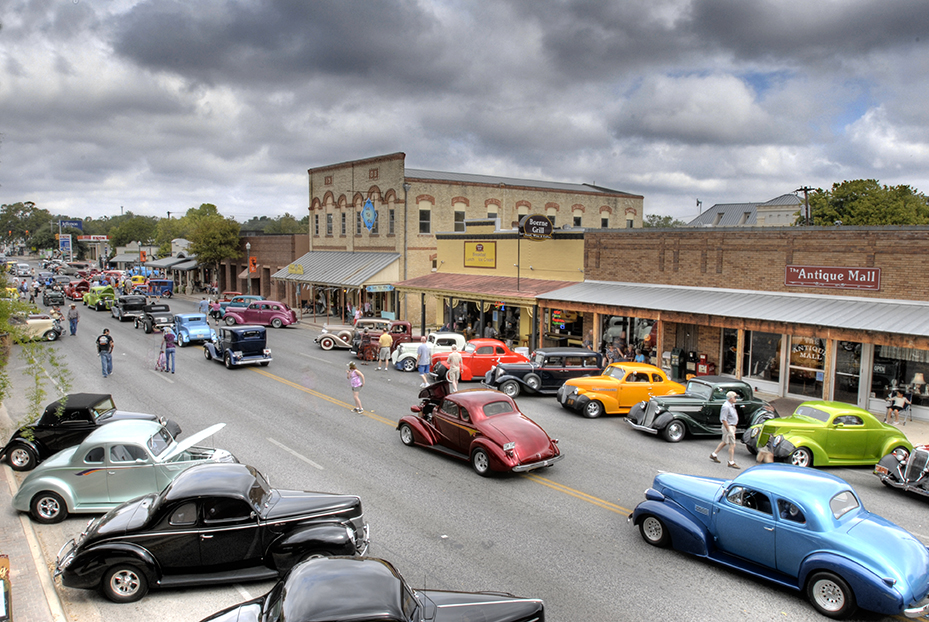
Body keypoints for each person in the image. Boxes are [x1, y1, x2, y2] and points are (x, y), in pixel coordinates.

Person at [710, 391, 741, 469]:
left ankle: (714, 454)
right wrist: (729, 429)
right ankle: (731, 462)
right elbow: (724, 419)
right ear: (730, 398)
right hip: (729, 427)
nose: (736, 398)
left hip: (732, 426)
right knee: (732, 444)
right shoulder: (726, 406)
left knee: (725, 442)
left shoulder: (732, 405)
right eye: (735, 397)